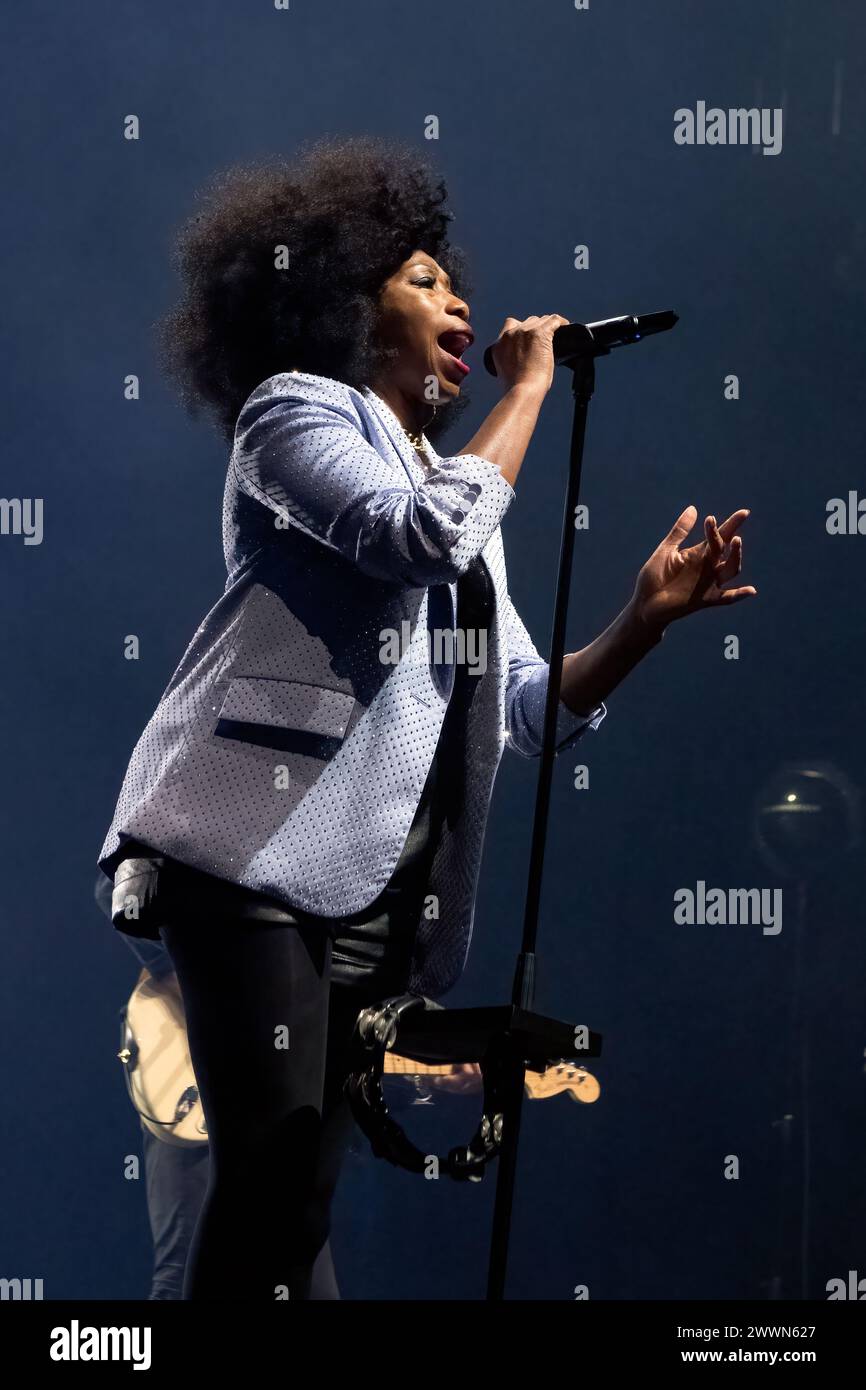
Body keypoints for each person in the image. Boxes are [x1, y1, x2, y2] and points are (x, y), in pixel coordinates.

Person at [96, 135, 755, 1301]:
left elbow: (524, 712)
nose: (461, 299)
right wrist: (528, 391)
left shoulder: (463, 496)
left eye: (457, 281)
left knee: (301, 1196)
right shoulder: (292, 415)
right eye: (425, 279)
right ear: (351, 302)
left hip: (376, 890)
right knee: (265, 1165)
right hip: (246, 850)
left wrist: (641, 623)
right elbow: (413, 535)